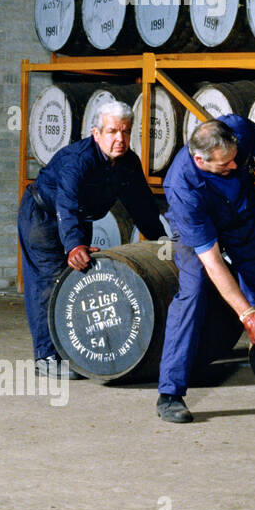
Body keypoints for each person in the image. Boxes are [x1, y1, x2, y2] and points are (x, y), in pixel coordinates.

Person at [157, 115, 255, 423]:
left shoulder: (233, 131)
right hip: (198, 227)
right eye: (224, 165)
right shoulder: (182, 185)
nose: (234, 166)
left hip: (244, 217)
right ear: (200, 160)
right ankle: (170, 393)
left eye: (235, 159)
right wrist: (245, 314)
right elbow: (211, 260)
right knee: (194, 291)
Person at [18, 100, 167, 374]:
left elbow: (142, 206)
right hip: (43, 216)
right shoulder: (78, 160)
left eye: (125, 132)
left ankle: (72, 349)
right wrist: (74, 245)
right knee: (48, 281)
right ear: (96, 133)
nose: (120, 139)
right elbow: (66, 203)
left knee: (77, 283)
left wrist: (162, 243)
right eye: (112, 132)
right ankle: (46, 359)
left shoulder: (128, 162)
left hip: (78, 218)